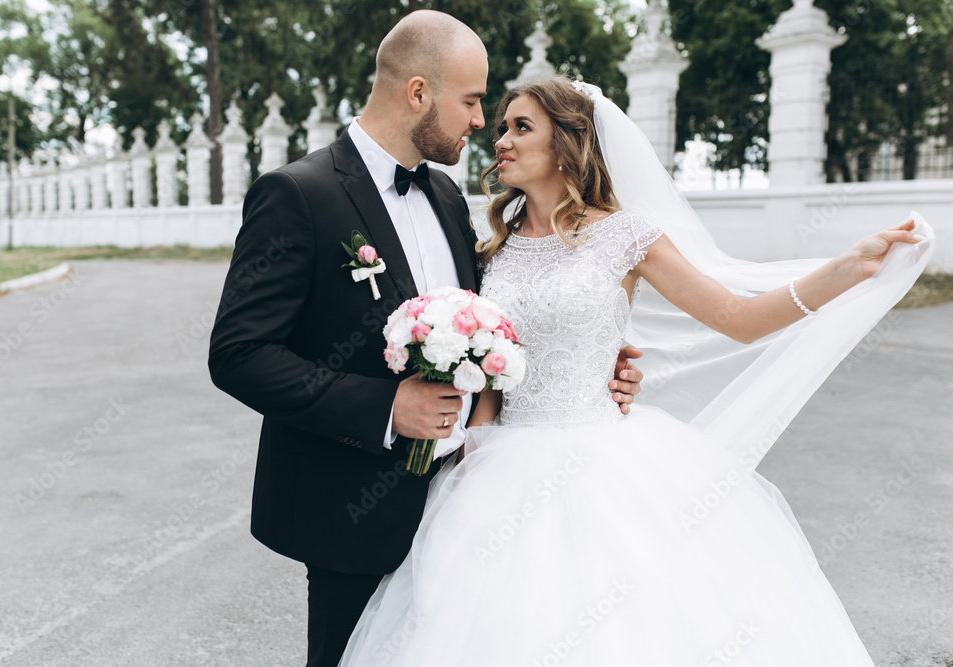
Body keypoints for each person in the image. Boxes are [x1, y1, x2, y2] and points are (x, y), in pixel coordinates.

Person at [337, 77, 933, 665]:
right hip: (497, 465)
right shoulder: (492, 247)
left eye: (521, 127)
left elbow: (738, 317)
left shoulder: (625, 235)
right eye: (501, 127)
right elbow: (489, 363)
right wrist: (472, 453)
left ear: (567, 143)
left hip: (600, 461)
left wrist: (846, 268)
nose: (501, 141)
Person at [207, 16, 643, 667]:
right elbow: (239, 353)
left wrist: (591, 358)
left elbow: (493, 321)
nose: (481, 122)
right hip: (352, 507)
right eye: (471, 101)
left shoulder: (444, 194)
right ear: (418, 93)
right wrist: (385, 408)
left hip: (468, 500)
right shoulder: (298, 194)